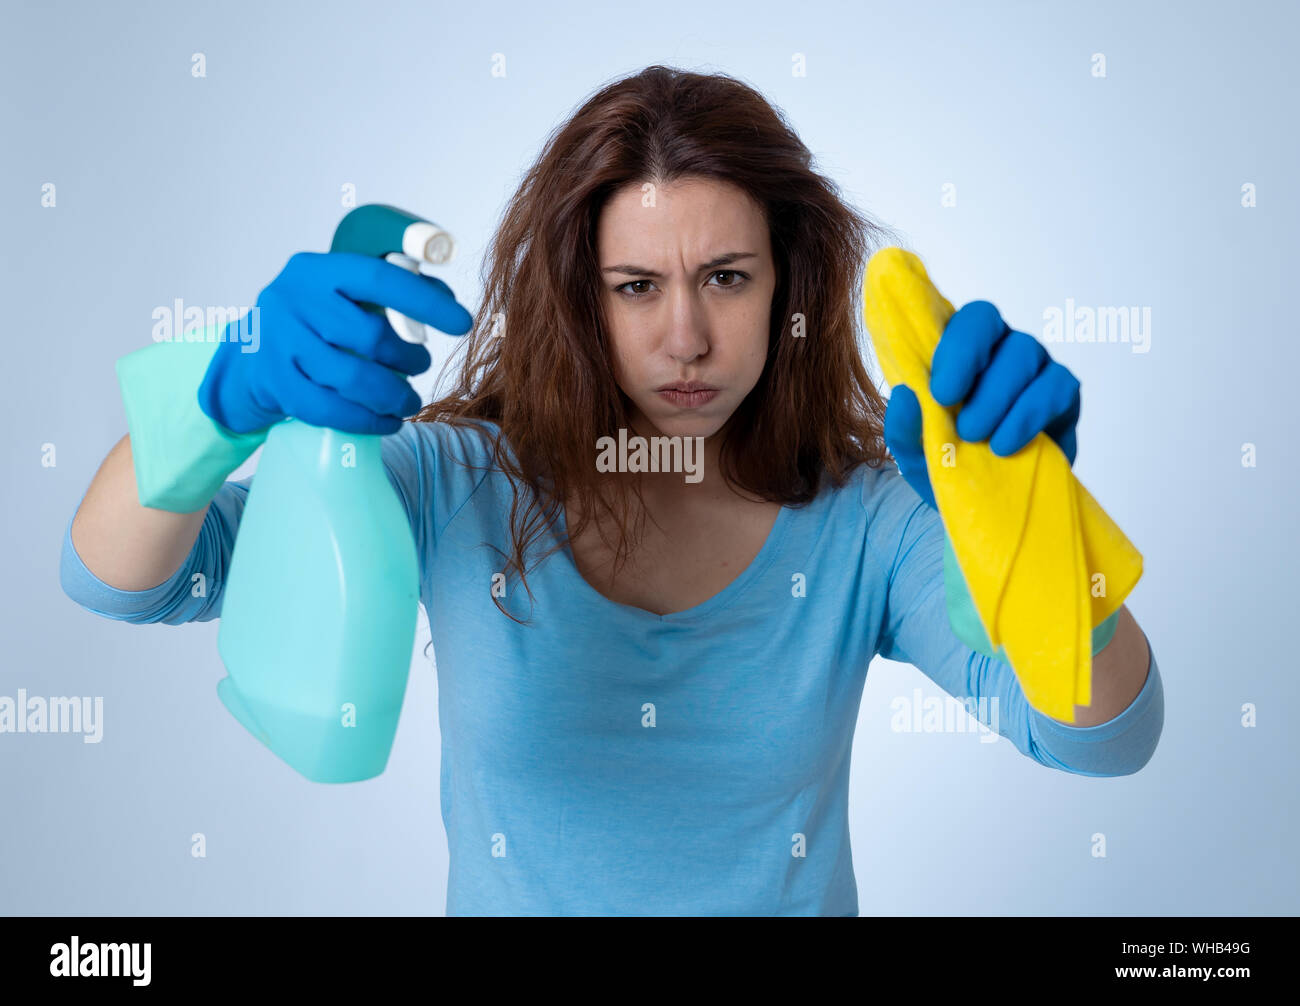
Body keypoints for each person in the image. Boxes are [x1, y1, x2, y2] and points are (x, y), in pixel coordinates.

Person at [61, 65, 1162, 916]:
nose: (685, 337)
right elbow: (124, 582)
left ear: (790, 284)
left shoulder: (864, 516)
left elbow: (1100, 736)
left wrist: (1038, 532)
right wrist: (222, 394)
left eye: (726, 278)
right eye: (635, 286)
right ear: (579, 298)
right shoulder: (459, 482)